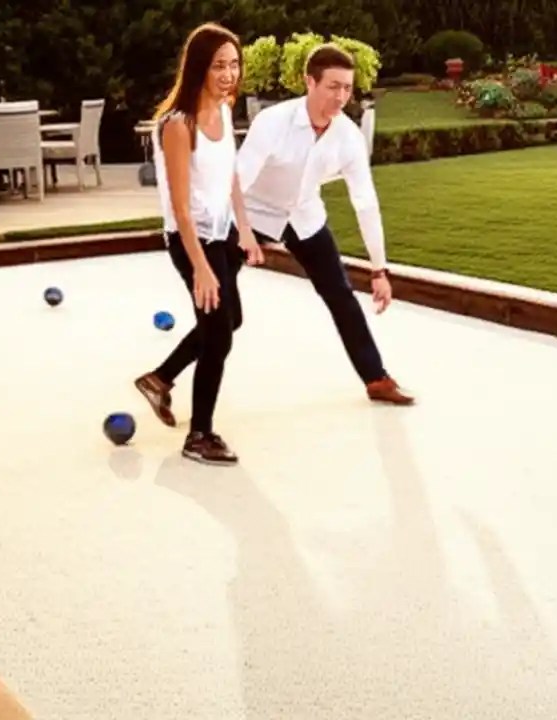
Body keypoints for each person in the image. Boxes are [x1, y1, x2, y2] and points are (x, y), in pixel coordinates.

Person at [234, 43, 414, 405]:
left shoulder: (348, 137)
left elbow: (365, 202)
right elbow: (236, 180)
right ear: (310, 82)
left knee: (341, 295)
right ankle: (163, 377)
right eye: (333, 86)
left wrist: (379, 269)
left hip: (304, 216)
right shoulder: (273, 122)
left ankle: (376, 379)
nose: (341, 97)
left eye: (347, 88)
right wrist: (243, 231)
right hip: (254, 212)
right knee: (220, 304)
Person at [134, 22, 264, 466]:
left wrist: (244, 227)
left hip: (222, 234)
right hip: (191, 240)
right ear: (198, 69)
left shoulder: (224, 111)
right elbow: (180, 207)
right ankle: (199, 435)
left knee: (230, 321)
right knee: (218, 336)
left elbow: (231, 175)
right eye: (218, 66)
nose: (229, 74)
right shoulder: (178, 125)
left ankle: (159, 379)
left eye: (234, 64)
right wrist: (201, 268)